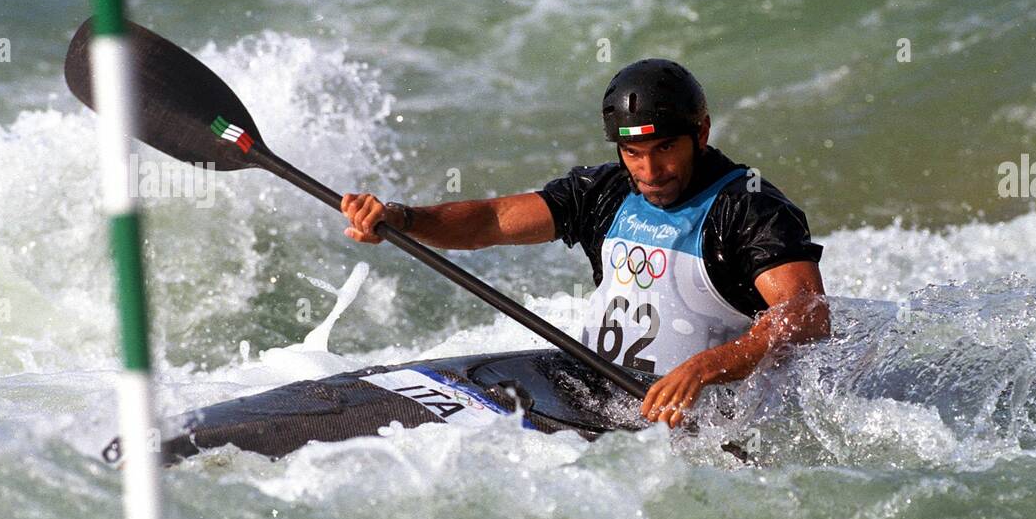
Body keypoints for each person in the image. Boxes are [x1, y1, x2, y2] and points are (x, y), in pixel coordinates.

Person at [342, 58, 830, 427]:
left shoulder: (750, 208)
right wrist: (402, 218)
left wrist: (704, 368)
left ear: (700, 133)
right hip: (594, 389)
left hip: (693, 417)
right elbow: (490, 221)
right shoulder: (605, 190)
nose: (650, 172)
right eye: (633, 153)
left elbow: (806, 314)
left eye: (665, 150)